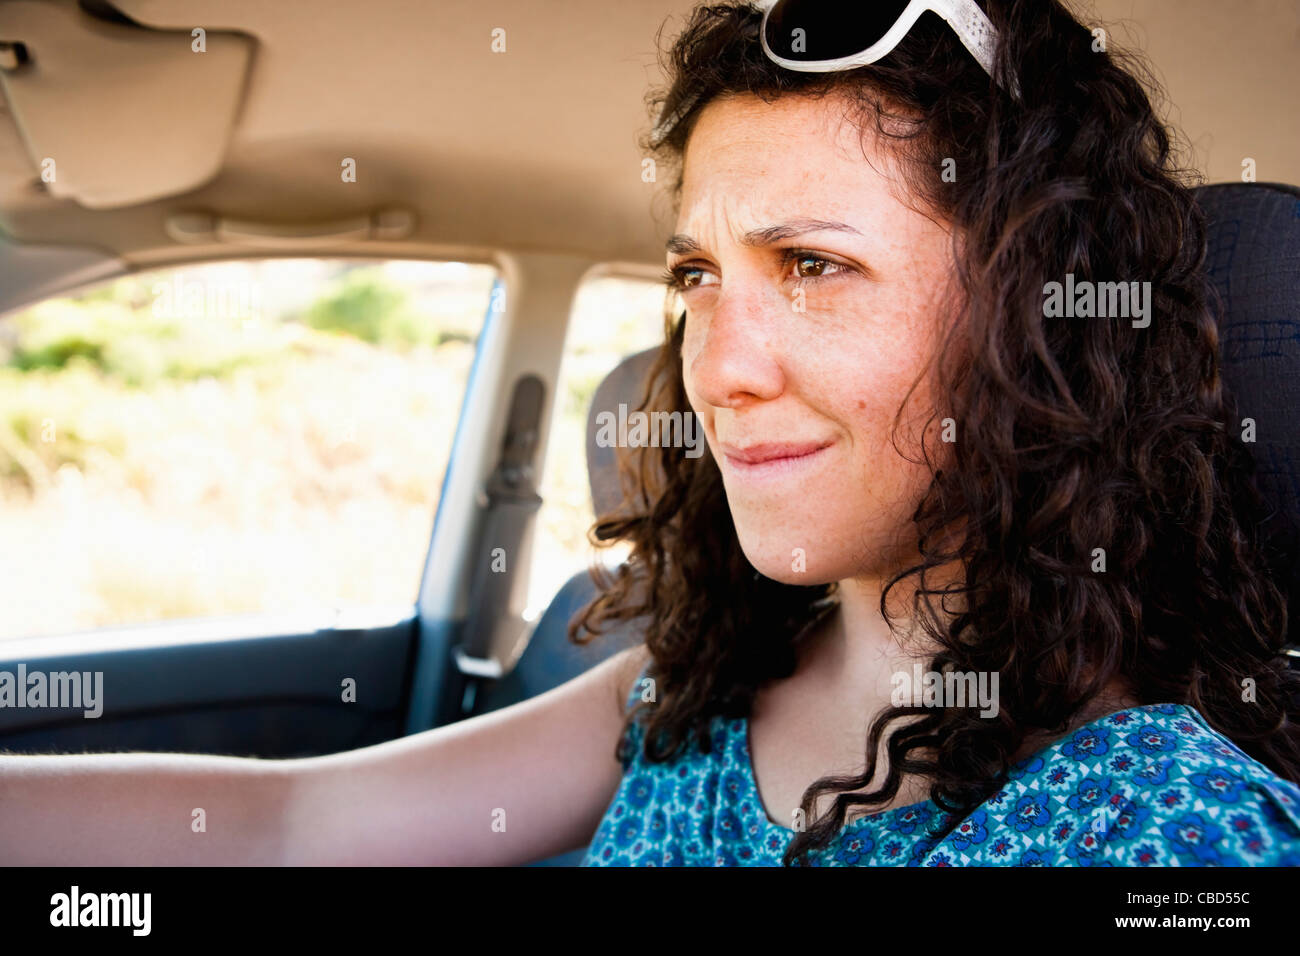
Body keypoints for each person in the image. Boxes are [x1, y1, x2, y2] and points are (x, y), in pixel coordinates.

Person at [2, 0, 1299, 867]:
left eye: (813, 265)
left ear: (1042, 328)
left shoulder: (1166, 828)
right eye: (697, 277)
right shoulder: (694, 686)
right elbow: (297, 823)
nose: (717, 368)